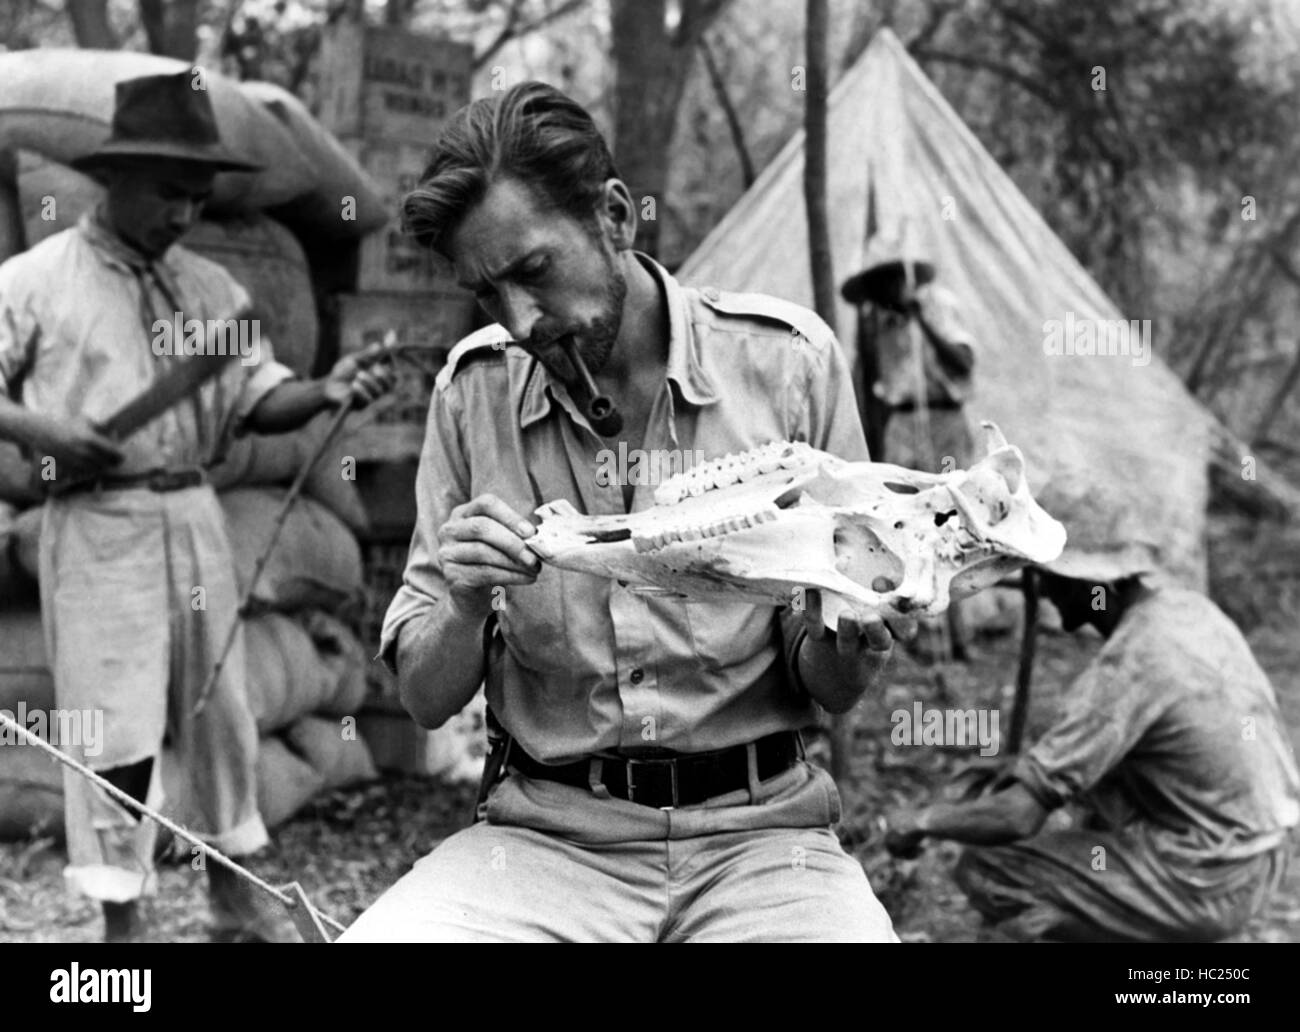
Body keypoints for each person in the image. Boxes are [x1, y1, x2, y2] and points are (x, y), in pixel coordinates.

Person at [339, 81, 912, 943]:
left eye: (533, 272)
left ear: (615, 217)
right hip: (546, 843)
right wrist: (462, 602)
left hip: (763, 845)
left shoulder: (788, 367)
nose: (520, 320)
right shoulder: (473, 393)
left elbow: (826, 679)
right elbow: (423, 700)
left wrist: (853, 638)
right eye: (487, 294)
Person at [0, 72, 393, 942]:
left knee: (220, 712)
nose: (183, 214)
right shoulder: (34, 282)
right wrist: (43, 431)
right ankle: (122, 917)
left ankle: (229, 891)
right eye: (168, 195)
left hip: (194, 517)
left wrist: (330, 391)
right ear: (117, 178)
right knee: (114, 727)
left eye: (197, 197)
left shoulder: (211, 292)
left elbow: (262, 398)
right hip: (97, 529)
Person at [884, 552, 1300, 942]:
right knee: (1097, 797)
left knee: (989, 871)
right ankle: (1125, 914)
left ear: (1096, 585)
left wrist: (920, 821)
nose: (1045, 591)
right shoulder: (1188, 611)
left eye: (1054, 580)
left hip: (1208, 878)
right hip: (1268, 855)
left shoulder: (1127, 666)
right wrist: (1030, 766)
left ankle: (1110, 931)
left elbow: (1017, 819)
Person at [841, 238, 976, 660]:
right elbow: (871, 384)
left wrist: (924, 324)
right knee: (905, 527)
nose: (885, 293)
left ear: (904, 278)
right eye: (876, 287)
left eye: (889, 282)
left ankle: (959, 634)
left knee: (952, 523)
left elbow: (964, 362)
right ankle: (915, 631)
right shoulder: (874, 324)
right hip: (901, 423)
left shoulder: (938, 305)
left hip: (944, 418)